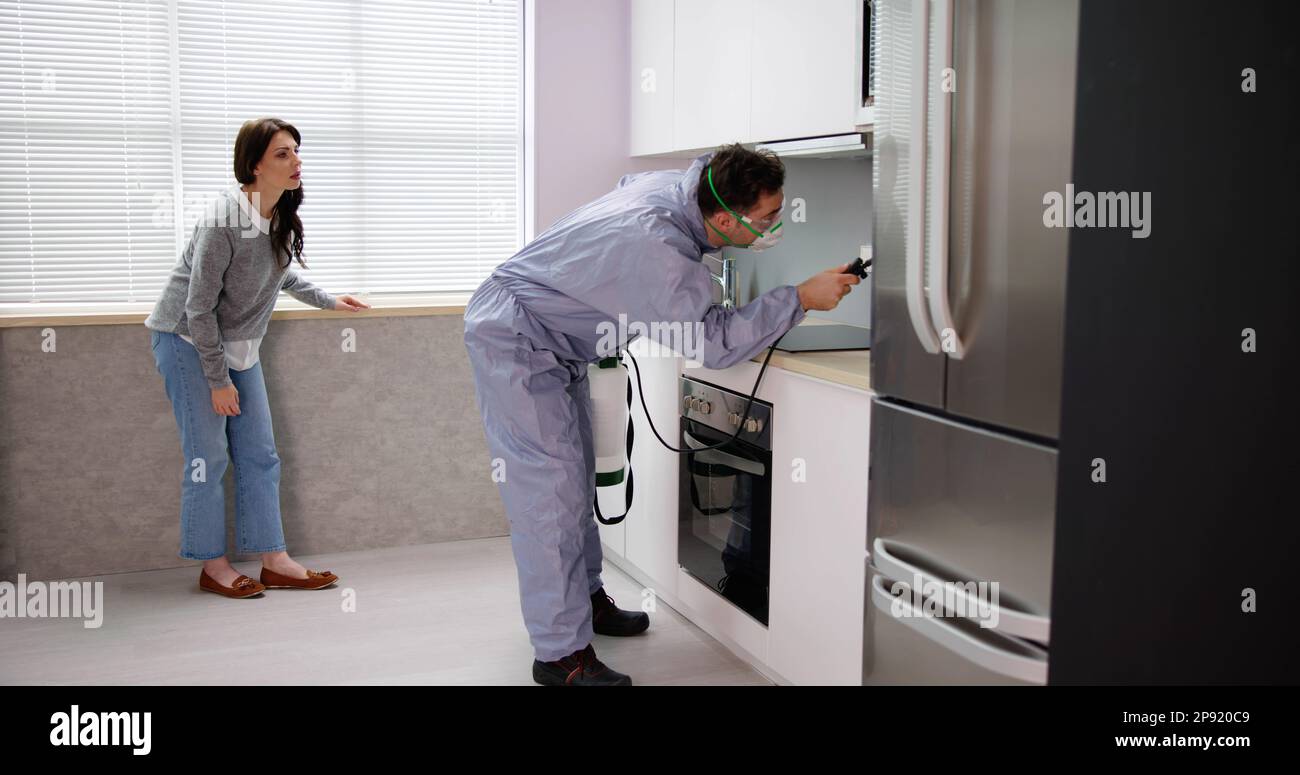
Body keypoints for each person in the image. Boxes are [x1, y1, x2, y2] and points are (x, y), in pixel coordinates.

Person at [464, 143, 859, 684]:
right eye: (768, 217)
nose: (775, 226)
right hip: (517, 337)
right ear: (723, 217)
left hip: (550, 337)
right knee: (549, 499)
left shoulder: (675, 191)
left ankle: (585, 601)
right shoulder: (657, 246)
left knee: (571, 483)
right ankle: (560, 656)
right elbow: (714, 342)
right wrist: (799, 298)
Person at [145, 117, 371, 599]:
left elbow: (280, 275)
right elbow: (198, 307)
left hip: (240, 350)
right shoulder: (223, 223)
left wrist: (330, 299)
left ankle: (275, 560)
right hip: (188, 343)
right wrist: (216, 379)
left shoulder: (278, 213)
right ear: (253, 165)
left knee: (261, 455)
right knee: (208, 457)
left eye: (296, 151)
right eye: (282, 154)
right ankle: (214, 567)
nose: (296, 162)